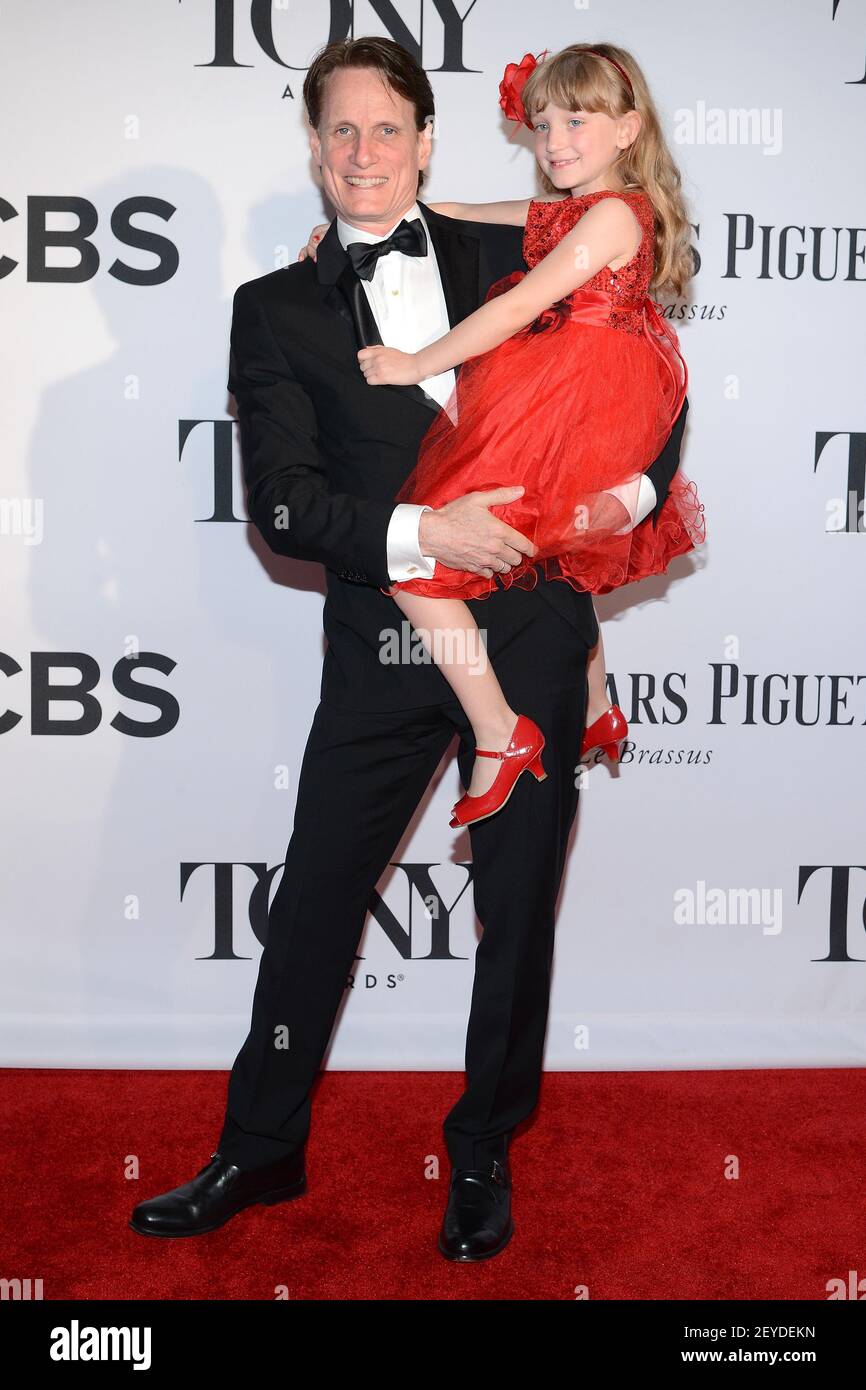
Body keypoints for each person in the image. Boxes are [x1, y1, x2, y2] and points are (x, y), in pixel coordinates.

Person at [128, 35, 689, 1262]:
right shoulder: (272, 308)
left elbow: (648, 382)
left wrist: (632, 502)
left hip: (533, 625)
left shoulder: (524, 244)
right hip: (386, 636)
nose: (363, 152)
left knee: (515, 912)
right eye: (340, 131)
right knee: (318, 897)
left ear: (427, 145)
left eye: (388, 129)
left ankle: (482, 1149)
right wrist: (422, 527)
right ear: (314, 149)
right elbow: (280, 503)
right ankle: (258, 1147)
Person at [350, 43, 705, 829]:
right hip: (583, 399)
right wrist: (401, 214)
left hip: (569, 405)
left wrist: (417, 364)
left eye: (576, 120)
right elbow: (480, 214)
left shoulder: (611, 214)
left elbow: (514, 309)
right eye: (541, 124)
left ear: (628, 129)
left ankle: (499, 731)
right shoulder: (588, 209)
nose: (554, 141)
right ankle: (598, 705)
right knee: (565, 559)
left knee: (414, 558)